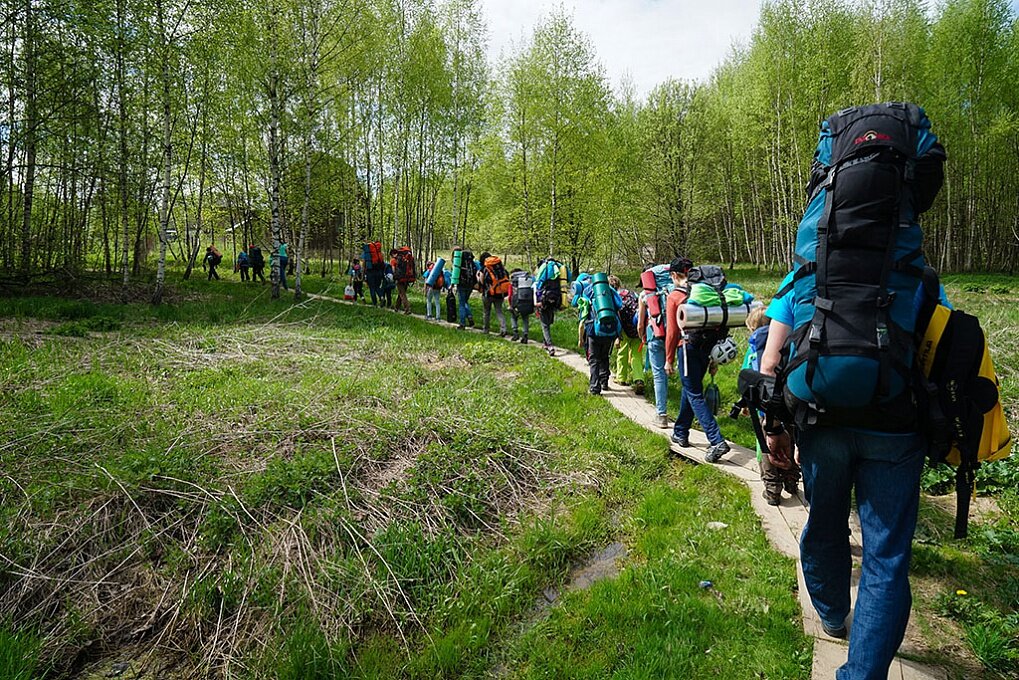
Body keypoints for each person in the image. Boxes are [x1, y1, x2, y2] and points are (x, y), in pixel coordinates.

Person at [665, 257, 729, 462]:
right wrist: (714, 359)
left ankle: (716, 440)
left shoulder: (675, 296)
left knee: (693, 392)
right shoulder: (706, 292)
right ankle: (681, 431)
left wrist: (668, 359)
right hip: (707, 345)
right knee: (690, 388)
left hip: (687, 347)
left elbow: (672, 333)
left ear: (675, 275)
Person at [741, 305, 799, 505]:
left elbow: (747, 378)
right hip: (789, 404)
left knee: (766, 447)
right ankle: (792, 481)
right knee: (790, 440)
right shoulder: (786, 342)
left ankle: (773, 489)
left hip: (765, 408)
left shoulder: (753, 350)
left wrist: (747, 405)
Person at [637, 266, 671, 429]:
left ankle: (661, 415)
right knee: (671, 369)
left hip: (655, 334)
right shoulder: (674, 290)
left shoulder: (646, 295)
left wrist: (642, 336)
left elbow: (639, 324)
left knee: (659, 375)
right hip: (675, 336)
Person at [579, 274, 622, 395]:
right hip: (609, 329)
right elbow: (619, 305)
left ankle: (594, 387)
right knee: (604, 356)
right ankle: (604, 382)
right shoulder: (611, 291)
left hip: (593, 330)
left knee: (594, 359)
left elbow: (583, 308)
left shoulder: (587, 290)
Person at [608, 275, 644, 394]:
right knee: (636, 355)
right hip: (637, 329)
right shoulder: (632, 294)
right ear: (619, 284)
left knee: (622, 353)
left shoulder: (614, 298)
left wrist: (617, 336)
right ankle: (639, 379)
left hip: (623, 330)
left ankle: (621, 378)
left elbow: (617, 318)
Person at [534, 257, 569, 357]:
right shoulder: (559, 267)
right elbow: (568, 278)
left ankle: (550, 346)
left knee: (545, 325)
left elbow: (539, 283)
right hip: (556, 298)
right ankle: (545, 344)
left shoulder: (544, 267)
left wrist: (537, 299)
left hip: (545, 298)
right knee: (548, 321)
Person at [478, 252, 508, 336]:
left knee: (486, 312)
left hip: (488, 293)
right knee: (499, 311)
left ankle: (486, 329)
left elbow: (481, 280)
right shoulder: (500, 267)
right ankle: (503, 329)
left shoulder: (484, 268)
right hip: (500, 293)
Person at [508, 268, 534, 343]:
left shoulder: (512, 283)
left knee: (513, 317)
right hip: (526, 302)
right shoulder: (527, 281)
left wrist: (510, 305)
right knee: (525, 318)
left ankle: (515, 332)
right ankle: (525, 335)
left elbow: (510, 295)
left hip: (515, 303)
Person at [453, 246, 476, 330]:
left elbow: (455, 274)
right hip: (470, 285)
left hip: (461, 285)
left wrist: (453, 284)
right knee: (465, 302)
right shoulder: (472, 263)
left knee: (462, 304)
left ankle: (462, 323)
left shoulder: (459, 263)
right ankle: (469, 317)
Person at [390, 247, 415, 314]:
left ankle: (407, 309)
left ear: (392, 254)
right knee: (401, 293)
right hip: (407, 278)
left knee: (402, 294)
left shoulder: (394, 260)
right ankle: (396, 307)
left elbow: (393, 270)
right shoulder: (405, 258)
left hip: (400, 278)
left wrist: (394, 277)